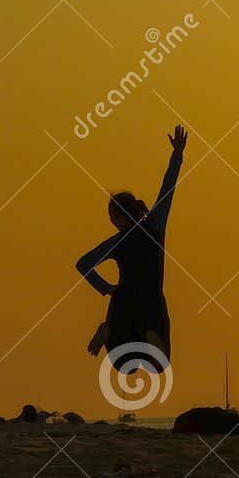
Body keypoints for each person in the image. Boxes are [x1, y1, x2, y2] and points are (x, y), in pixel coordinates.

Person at [76, 126, 187, 370]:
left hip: (122, 304)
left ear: (117, 218)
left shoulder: (118, 241)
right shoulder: (155, 226)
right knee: (160, 365)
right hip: (152, 303)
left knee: (124, 364)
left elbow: (82, 264)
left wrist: (106, 288)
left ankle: (108, 331)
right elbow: (167, 189)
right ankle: (150, 338)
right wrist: (177, 155)